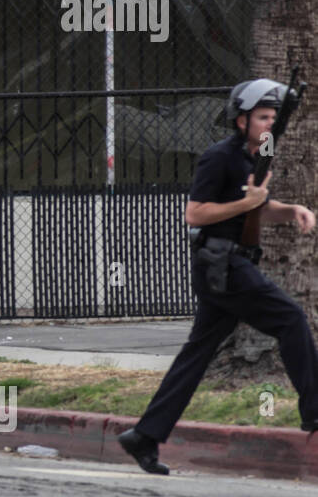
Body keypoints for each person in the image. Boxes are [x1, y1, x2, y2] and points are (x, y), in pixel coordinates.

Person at [119, 79, 318, 474]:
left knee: (198, 353)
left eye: (274, 118)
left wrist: (290, 208)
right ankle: (315, 412)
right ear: (240, 120)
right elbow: (195, 213)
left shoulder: (255, 156)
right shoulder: (218, 157)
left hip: (227, 266)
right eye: (262, 117)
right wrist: (247, 202)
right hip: (222, 265)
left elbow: (255, 207)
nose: (269, 124)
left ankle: (144, 436)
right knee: (290, 318)